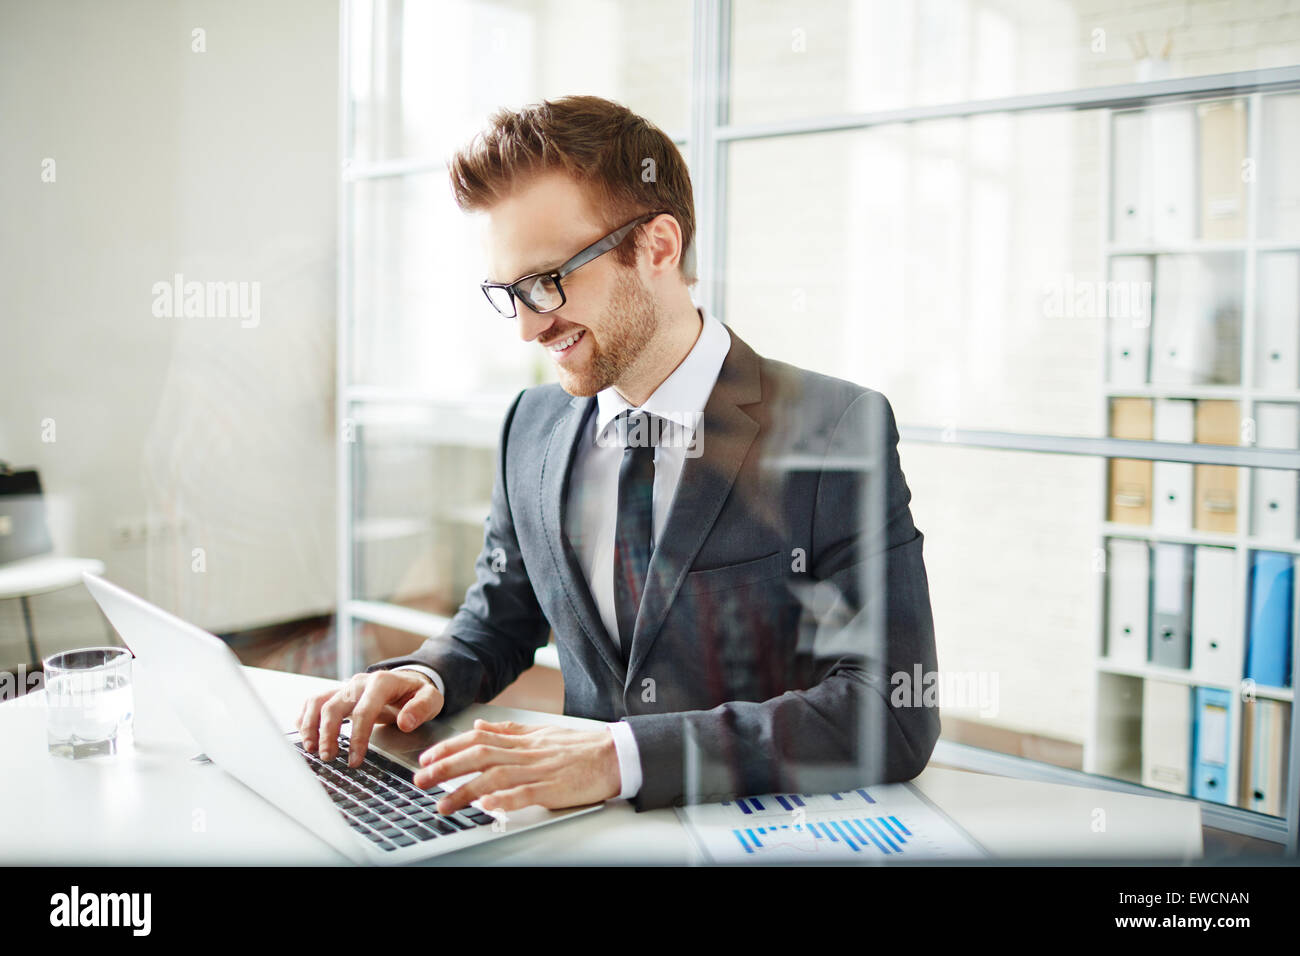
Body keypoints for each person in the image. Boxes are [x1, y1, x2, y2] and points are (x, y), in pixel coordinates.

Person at [299, 95, 939, 815]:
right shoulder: (529, 426)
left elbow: (892, 709)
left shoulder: (833, 426)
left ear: (658, 247)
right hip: (578, 836)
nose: (530, 328)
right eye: (510, 293)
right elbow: (502, 615)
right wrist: (433, 674)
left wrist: (623, 757)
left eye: (549, 281)